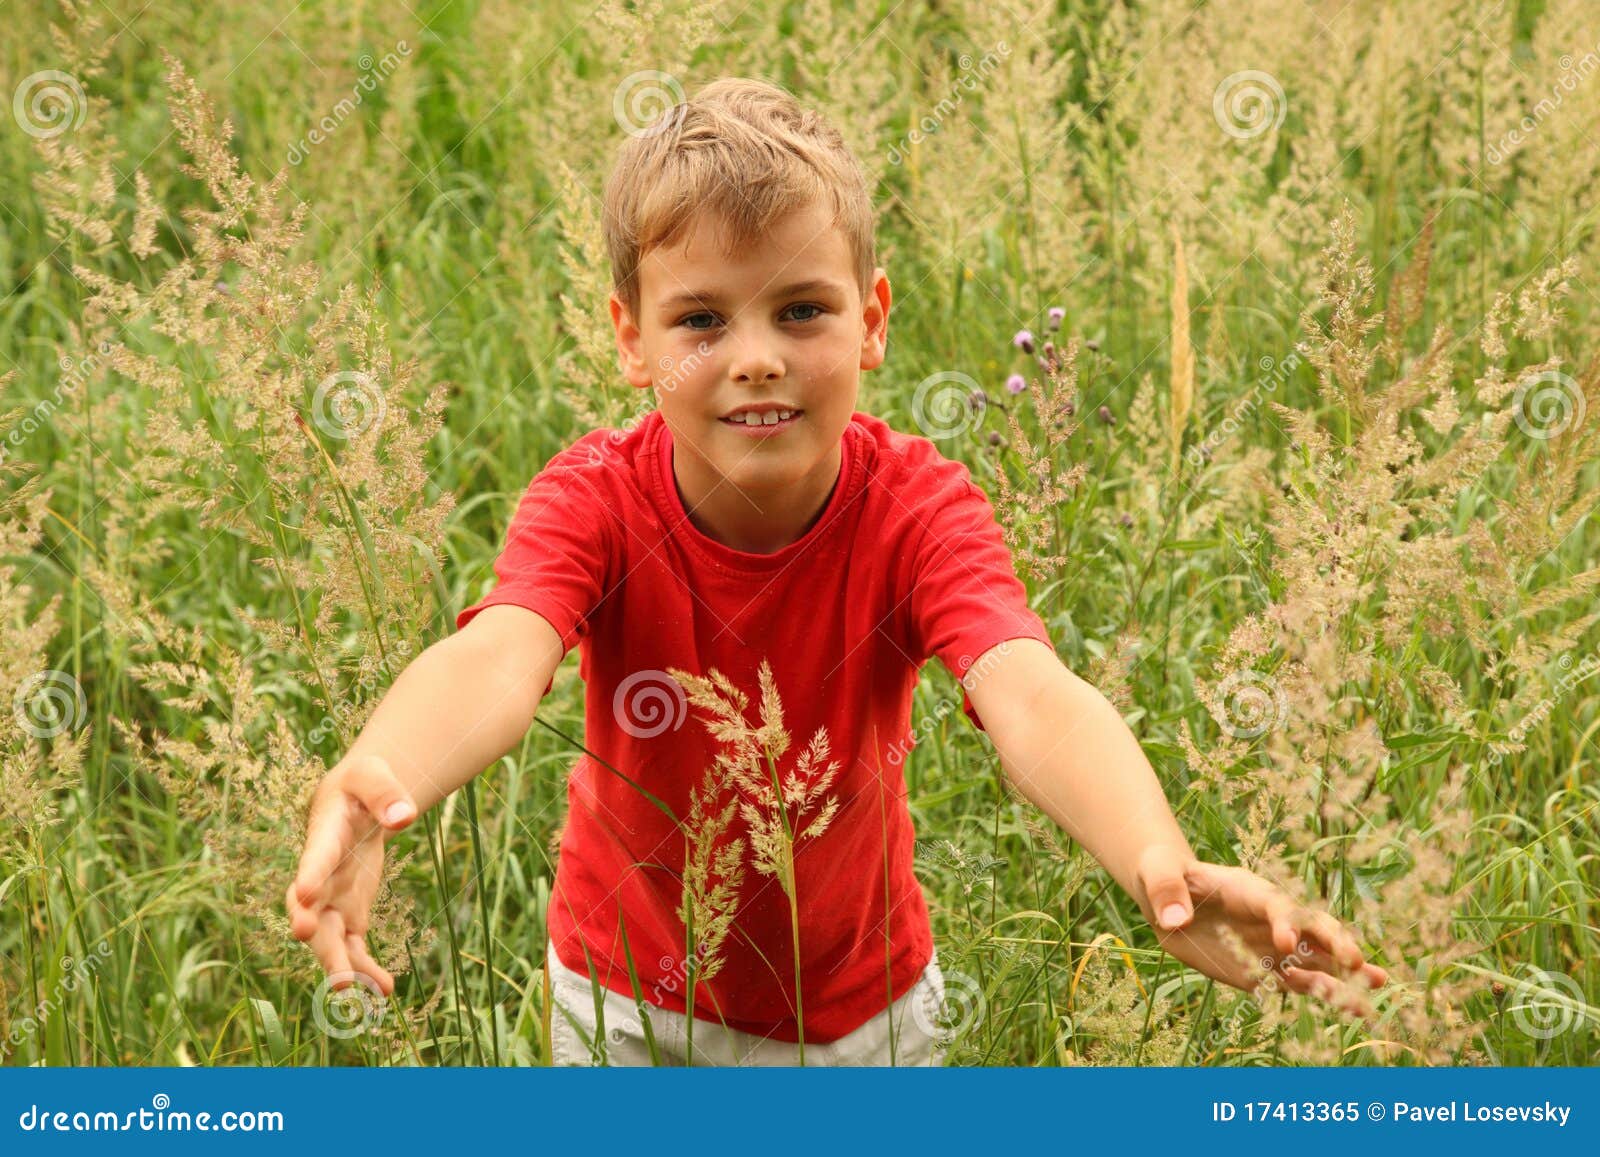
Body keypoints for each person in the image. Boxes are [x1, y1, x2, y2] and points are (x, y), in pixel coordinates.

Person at [286, 76, 1388, 1066]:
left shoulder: (917, 508)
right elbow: (494, 658)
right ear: (632, 340)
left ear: (872, 319)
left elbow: (1031, 695)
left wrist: (1160, 860)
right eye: (702, 319)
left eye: (801, 309)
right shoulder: (595, 498)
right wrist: (377, 783)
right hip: (624, 998)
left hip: (862, 1016)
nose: (756, 354)